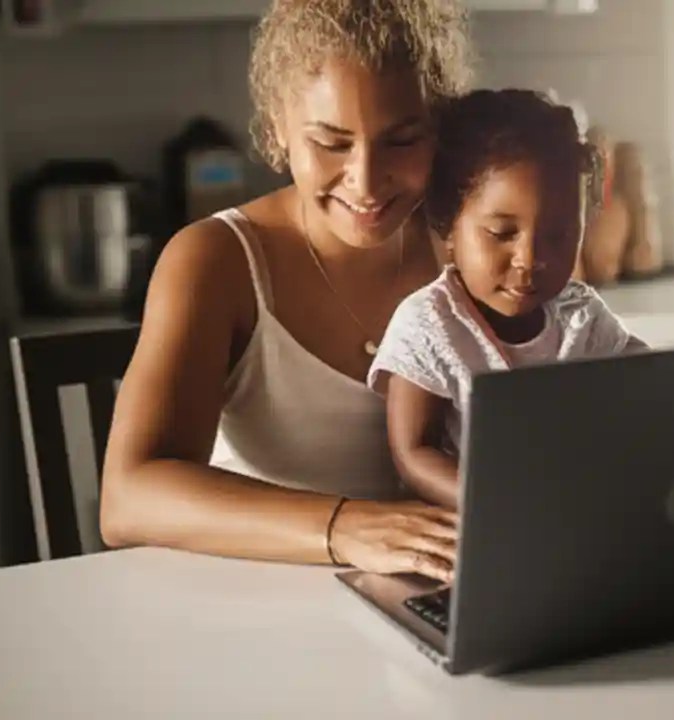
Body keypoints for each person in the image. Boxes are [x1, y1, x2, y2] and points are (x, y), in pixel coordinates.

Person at [99, 0, 473, 583]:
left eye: (401, 141)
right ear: (278, 126)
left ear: (439, 129)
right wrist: (347, 527)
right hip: (248, 614)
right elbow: (128, 498)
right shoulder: (217, 261)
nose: (367, 181)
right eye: (331, 142)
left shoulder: (471, 247)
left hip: (424, 598)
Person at [368, 89, 646, 511]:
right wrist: (498, 503)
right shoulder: (428, 323)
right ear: (448, 227)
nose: (531, 258)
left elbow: (651, 388)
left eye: (559, 235)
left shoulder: (580, 316)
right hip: (474, 532)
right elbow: (413, 454)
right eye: (501, 234)